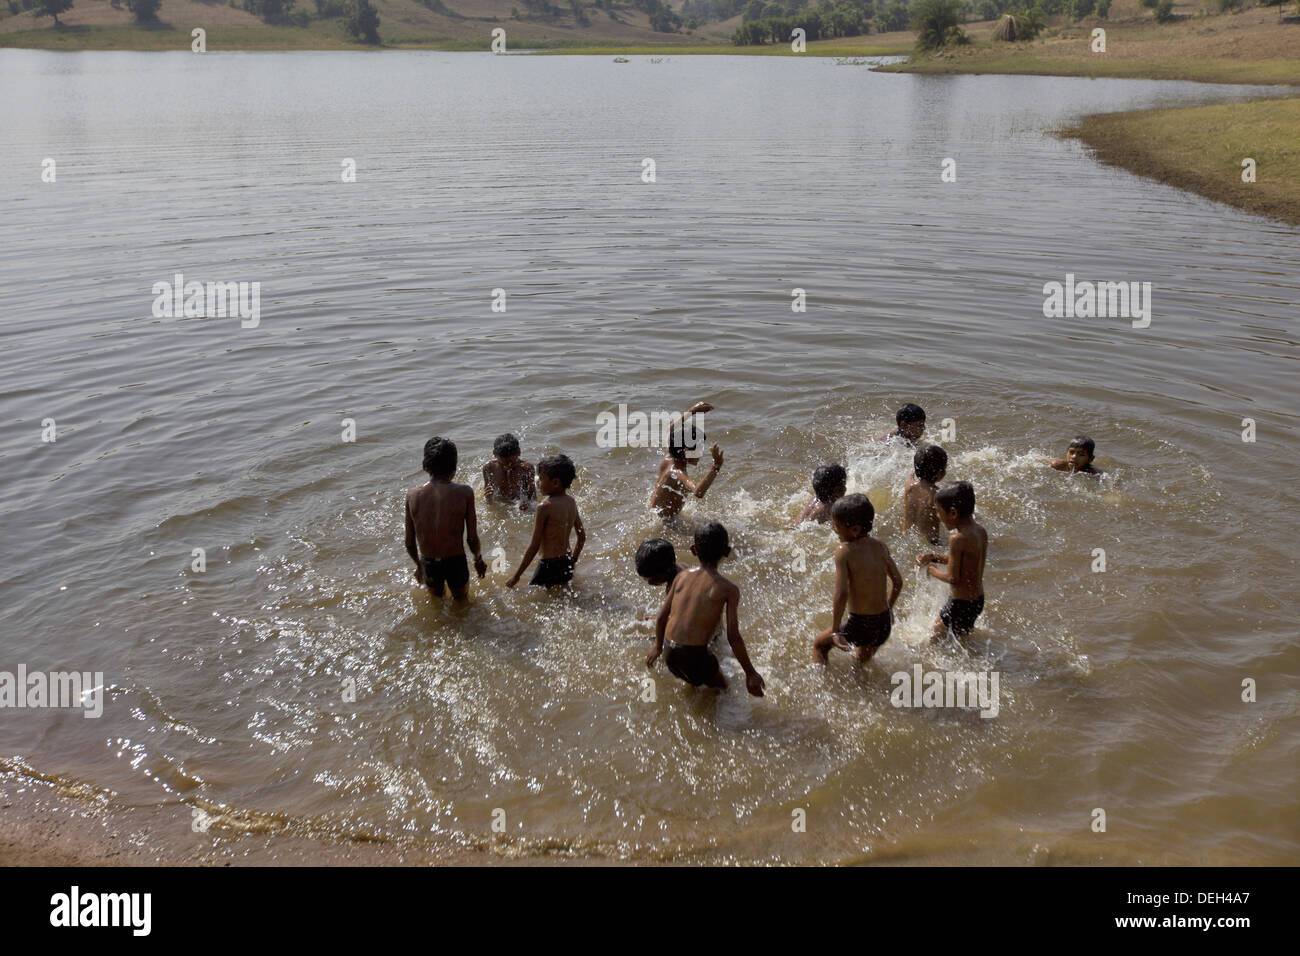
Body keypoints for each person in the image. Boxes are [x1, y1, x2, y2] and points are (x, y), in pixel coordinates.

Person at [646, 522, 765, 696]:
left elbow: (662, 617)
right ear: (727, 552)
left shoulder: (681, 577)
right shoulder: (729, 590)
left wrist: (657, 647)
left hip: (669, 653)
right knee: (725, 693)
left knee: (694, 682)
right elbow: (733, 637)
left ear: (693, 550)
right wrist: (750, 673)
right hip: (694, 657)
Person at [813, 494, 904, 667]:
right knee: (860, 661)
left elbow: (841, 594)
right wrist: (889, 609)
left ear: (854, 530)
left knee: (819, 645)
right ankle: (859, 686)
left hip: (861, 624)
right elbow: (898, 581)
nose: (833, 529)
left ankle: (820, 685)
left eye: (837, 526)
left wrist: (834, 630)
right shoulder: (880, 546)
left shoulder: (844, 551)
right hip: (883, 624)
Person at [405, 436, 487, 600]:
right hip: (455, 562)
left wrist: (419, 565)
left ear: (425, 465)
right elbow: (471, 538)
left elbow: (409, 542)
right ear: (454, 466)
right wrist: (478, 559)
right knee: (462, 602)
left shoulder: (412, 495)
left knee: (437, 603)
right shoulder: (465, 493)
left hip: (429, 562)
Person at [916, 481, 987, 642]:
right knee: (960, 640)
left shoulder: (956, 539)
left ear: (953, 513)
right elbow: (964, 562)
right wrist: (934, 556)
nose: (937, 516)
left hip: (959, 603)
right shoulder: (980, 531)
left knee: (933, 640)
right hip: (976, 601)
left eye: (939, 512)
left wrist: (930, 569)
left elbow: (952, 578)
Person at [506, 454, 586, 588]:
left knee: (533, 599)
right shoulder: (571, 502)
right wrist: (573, 561)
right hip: (566, 560)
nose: (538, 483)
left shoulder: (544, 507)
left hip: (548, 565)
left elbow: (534, 546)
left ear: (555, 482)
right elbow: (582, 536)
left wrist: (516, 576)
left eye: (541, 479)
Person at [650, 430, 724, 520]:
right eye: (699, 449)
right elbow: (698, 492)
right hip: (663, 524)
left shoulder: (669, 456)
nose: (701, 453)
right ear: (686, 451)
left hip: (653, 518)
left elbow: (670, 428)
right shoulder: (676, 473)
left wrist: (689, 415)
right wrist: (716, 466)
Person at [902, 444, 948, 546]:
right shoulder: (938, 495)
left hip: (907, 538)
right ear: (940, 473)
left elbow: (912, 475)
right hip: (931, 543)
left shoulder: (908, 485)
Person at [482, 433, 536, 508]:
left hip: (518, 502)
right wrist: (489, 499)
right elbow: (487, 492)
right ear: (494, 454)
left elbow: (532, 495)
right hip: (501, 502)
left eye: (512, 462)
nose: (508, 466)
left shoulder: (526, 468)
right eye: (503, 463)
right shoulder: (489, 468)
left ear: (519, 452)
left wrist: (527, 503)